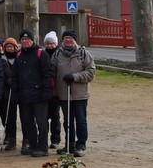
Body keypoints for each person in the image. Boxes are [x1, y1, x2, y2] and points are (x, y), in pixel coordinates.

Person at [51, 29, 96, 157]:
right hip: (63, 94)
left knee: (81, 120)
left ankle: (81, 144)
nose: (68, 40)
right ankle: (69, 144)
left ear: (75, 40)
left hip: (80, 94)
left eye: (71, 38)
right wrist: (54, 92)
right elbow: (52, 73)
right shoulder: (57, 54)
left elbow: (91, 73)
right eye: (66, 38)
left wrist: (75, 77)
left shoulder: (83, 54)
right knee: (67, 121)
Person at [13, 29, 52, 158]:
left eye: (27, 39)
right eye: (22, 39)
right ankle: (33, 145)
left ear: (32, 40)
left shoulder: (41, 53)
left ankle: (43, 147)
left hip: (39, 94)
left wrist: (46, 91)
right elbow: (15, 75)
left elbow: (47, 73)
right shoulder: (19, 55)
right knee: (28, 122)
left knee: (41, 122)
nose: (25, 41)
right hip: (25, 95)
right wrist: (15, 89)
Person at [0, 37, 20, 150]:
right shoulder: (2, 59)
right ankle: (12, 138)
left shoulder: (20, 58)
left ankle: (27, 139)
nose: (10, 48)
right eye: (7, 46)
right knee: (10, 116)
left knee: (25, 116)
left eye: (12, 46)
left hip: (20, 90)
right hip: (8, 91)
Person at [43, 31, 62, 148]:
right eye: (48, 43)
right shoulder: (42, 55)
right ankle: (43, 138)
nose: (50, 45)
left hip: (56, 91)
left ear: (56, 44)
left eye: (52, 43)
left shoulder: (59, 55)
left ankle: (55, 139)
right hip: (44, 90)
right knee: (43, 116)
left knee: (55, 116)